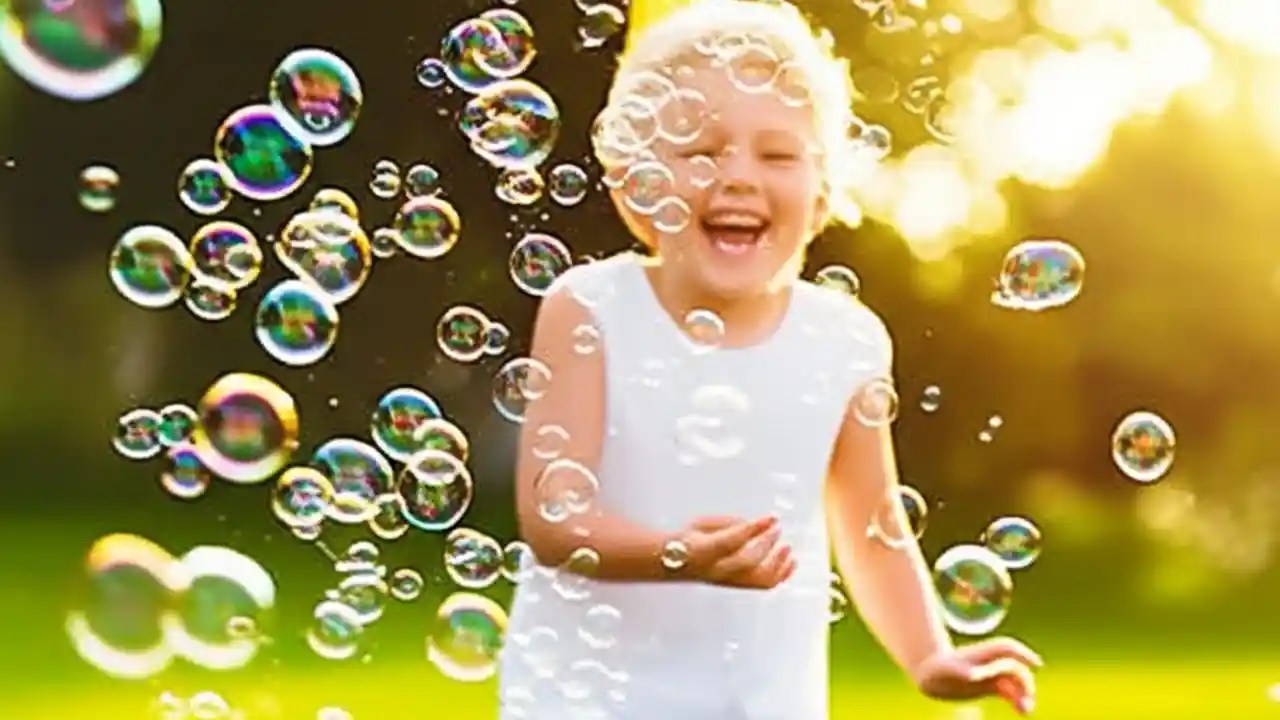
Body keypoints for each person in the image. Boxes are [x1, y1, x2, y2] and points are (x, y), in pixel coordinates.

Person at [497, 1, 1042, 717]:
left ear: (822, 194)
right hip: (586, 699)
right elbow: (552, 516)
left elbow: (874, 530)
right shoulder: (592, 307)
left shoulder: (845, 341)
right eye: (699, 151)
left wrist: (929, 655)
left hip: (760, 701)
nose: (739, 177)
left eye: (778, 154)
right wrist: (676, 554)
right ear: (635, 187)